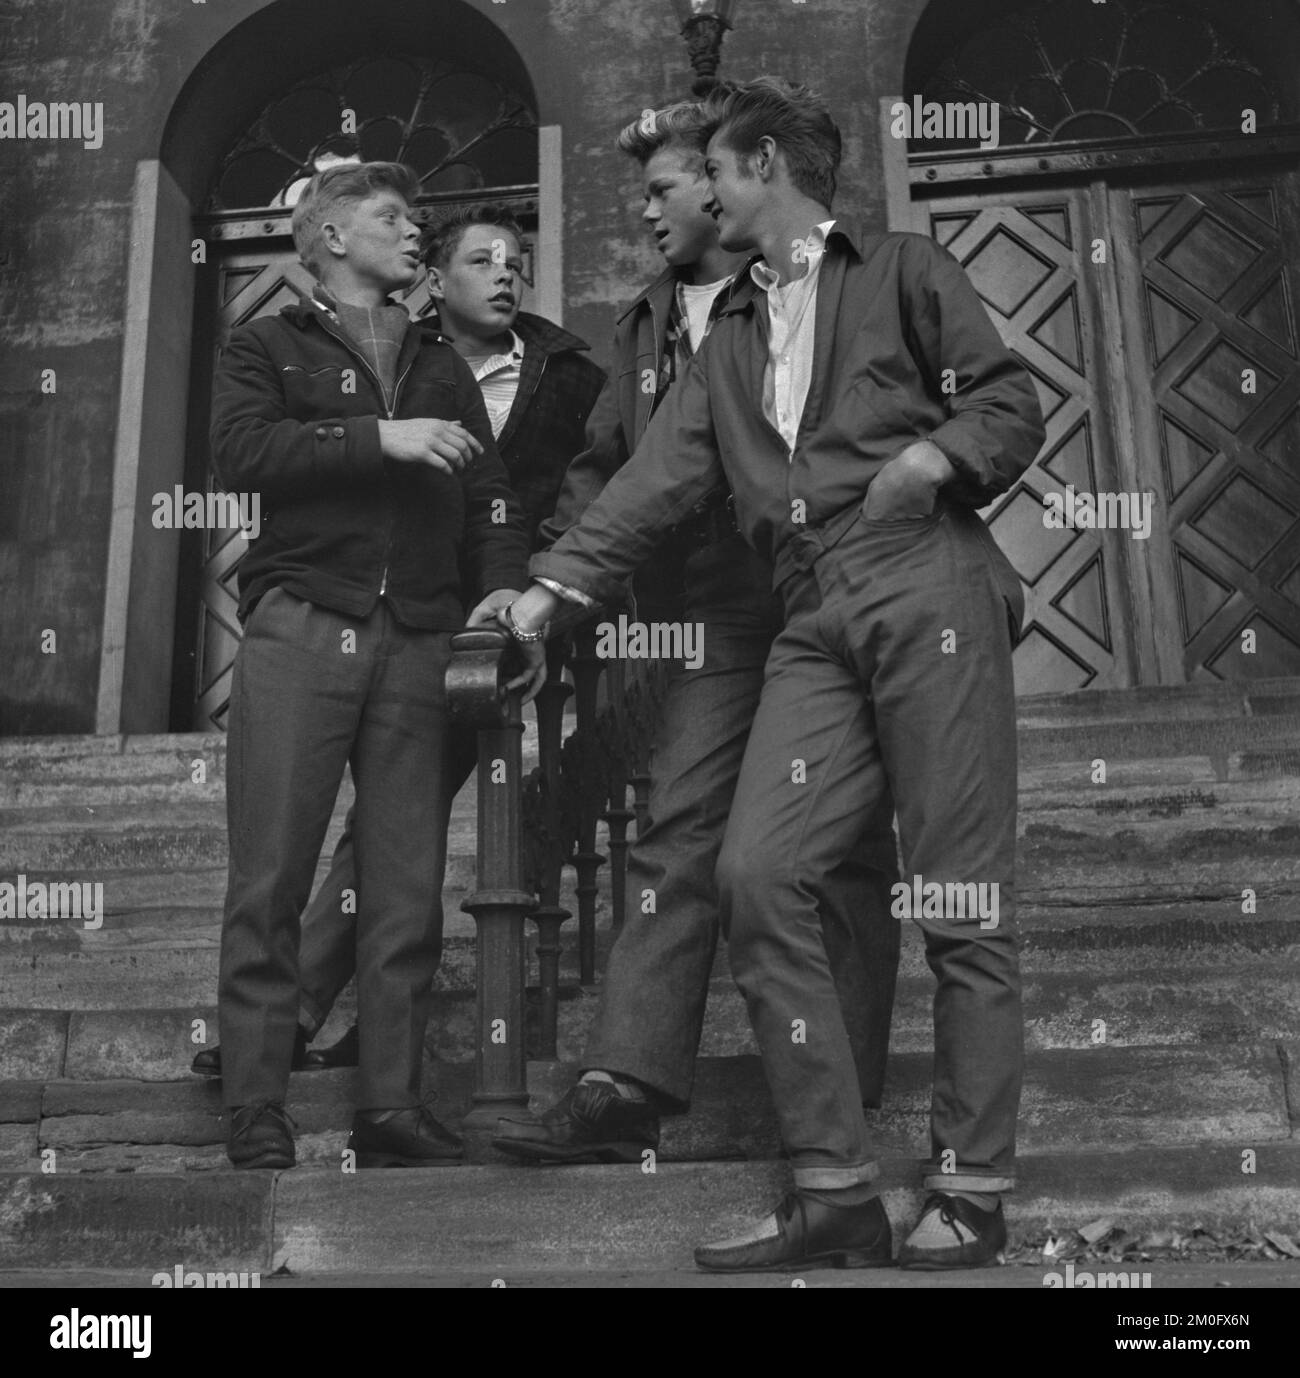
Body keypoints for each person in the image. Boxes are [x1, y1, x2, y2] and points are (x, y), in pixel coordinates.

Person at [502, 78, 1045, 1271]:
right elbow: (652, 482)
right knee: (756, 869)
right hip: (806, 607)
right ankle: (834, 1187)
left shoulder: (901, 269)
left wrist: (928, 459)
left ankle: (971, 1182)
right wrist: (549, 591)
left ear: (761, 169)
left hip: (923, 580)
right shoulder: (730, 334)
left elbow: (1007, 400)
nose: (702, 191)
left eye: (718, 170)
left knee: (958, 898)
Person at [492, 101, 901, 1165]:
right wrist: (543, 581)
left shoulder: (830, 288)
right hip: (710, 609)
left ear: (729, 186)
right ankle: (623, 1076)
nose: (652, 213)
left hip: (829, 587)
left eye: (666, 189)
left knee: (842, 837)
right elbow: (606, 479)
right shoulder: (642, 328)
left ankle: (839, 1090)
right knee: (679, 826)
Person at [194, 204, 604, 1079]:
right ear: (439, 280)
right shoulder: (315, 347)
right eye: (483, 259)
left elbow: (549, 486)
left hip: (473, 624)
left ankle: (385, 1093)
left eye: (518, 261)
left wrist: (519, 586)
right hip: (341, 613)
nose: (506, 274)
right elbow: (244, 452)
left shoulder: (558, 370)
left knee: (405, 866)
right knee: (306, 860)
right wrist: (382, 440)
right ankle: (269, 1058)